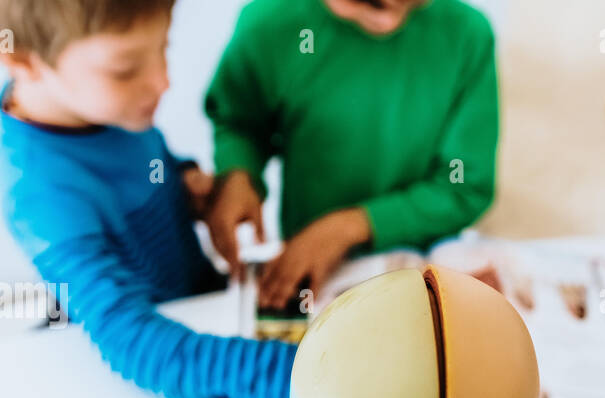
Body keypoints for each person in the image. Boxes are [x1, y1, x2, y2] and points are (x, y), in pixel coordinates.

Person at [0, 0, 295, 398]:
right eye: (125, 69)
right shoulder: (38, 194)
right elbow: (132, 340)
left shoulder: (99, 107)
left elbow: (146, 166)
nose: (163, 82)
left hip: (201, 309)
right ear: (23, 59)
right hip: (151, 363)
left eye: (164, 47)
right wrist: (297, 379)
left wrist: (189, 186)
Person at [204, 0, 499, 311]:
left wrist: (347, 228)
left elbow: (465, 186)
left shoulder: (467, 35)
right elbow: (238, 121)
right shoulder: (270, 24)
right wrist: (238, 173)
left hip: (425, 268)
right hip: (313, 279)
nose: (389, 18)